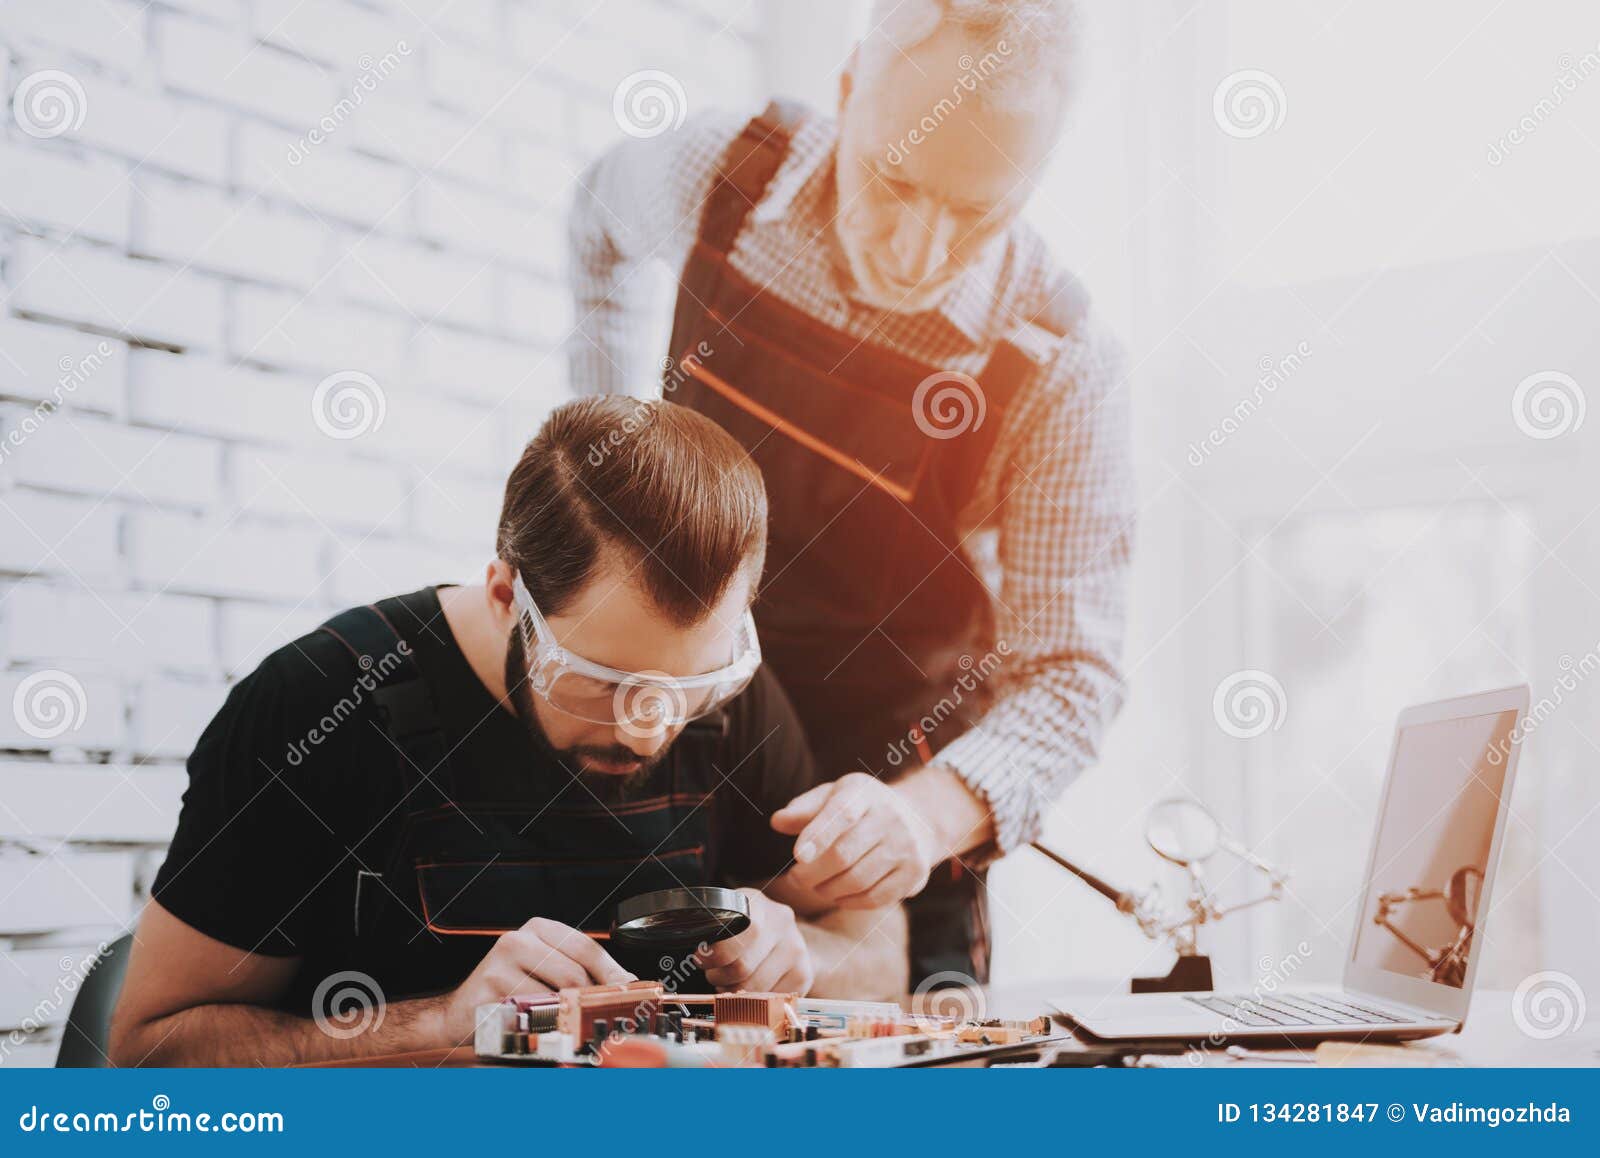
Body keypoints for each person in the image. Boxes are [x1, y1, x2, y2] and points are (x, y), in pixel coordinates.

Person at [568, 0, 1133, 984]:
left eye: (975, 213)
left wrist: (921, 813)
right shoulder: (719, 178)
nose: (915, 255)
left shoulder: (1058, 363)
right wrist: (610, 444)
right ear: (846, 91)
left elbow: (1069, 678)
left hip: (880, 841)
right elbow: (596, 218)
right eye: (895, 178)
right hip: (663, 775)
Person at [109, 398, 903, 1066]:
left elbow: (884, 960)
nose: (649, 733)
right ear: (505, 594)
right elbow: (150, 1053)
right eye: (605, 684)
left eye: (688, 688)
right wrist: (443, 1025)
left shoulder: (736, 704)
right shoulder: (321, 707)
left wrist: (802, 961)